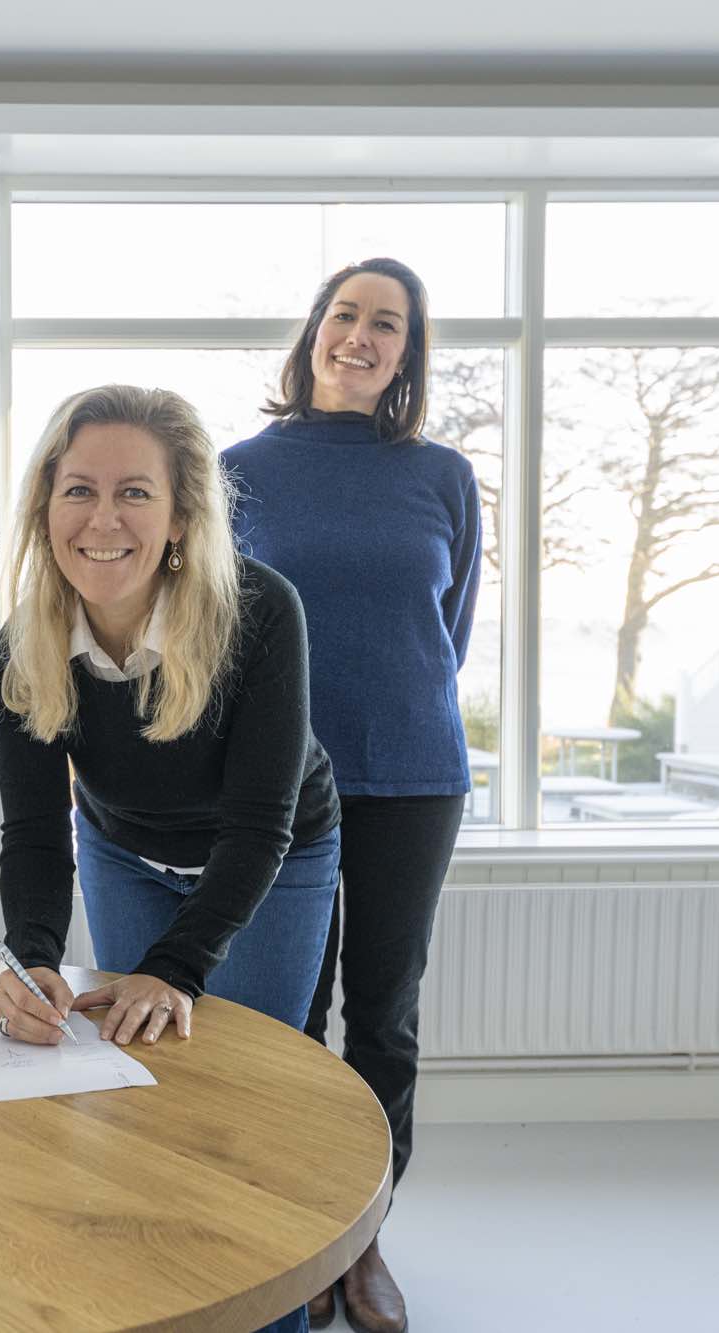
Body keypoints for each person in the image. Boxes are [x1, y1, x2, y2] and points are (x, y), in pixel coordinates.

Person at [0, 383, 341, 1333]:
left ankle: (275, 1316)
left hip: (276, 852)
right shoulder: (19, 650)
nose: (103, 519)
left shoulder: (262, 612)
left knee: (247, 1099)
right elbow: (32, 833)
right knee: (145, 1088)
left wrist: (174, 966)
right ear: (45, 508)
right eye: (78, 490)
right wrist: (28, 959)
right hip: (125, 845)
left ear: (182, 515)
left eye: (135, 493)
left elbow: (261, 823)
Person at [224, 258, 481, 1333]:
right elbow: (214, 631)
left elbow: (447, 630)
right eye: (344, 315)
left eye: (387, 324)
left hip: (412, 775)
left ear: (405, 352)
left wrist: (392, 712)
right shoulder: (235, 468)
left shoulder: (443, 477)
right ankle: (286, 1236)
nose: (360, 336)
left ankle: (361, 1238)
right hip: (278, 783)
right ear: (313, 332)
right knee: (282, 1020)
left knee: (381, 1015)